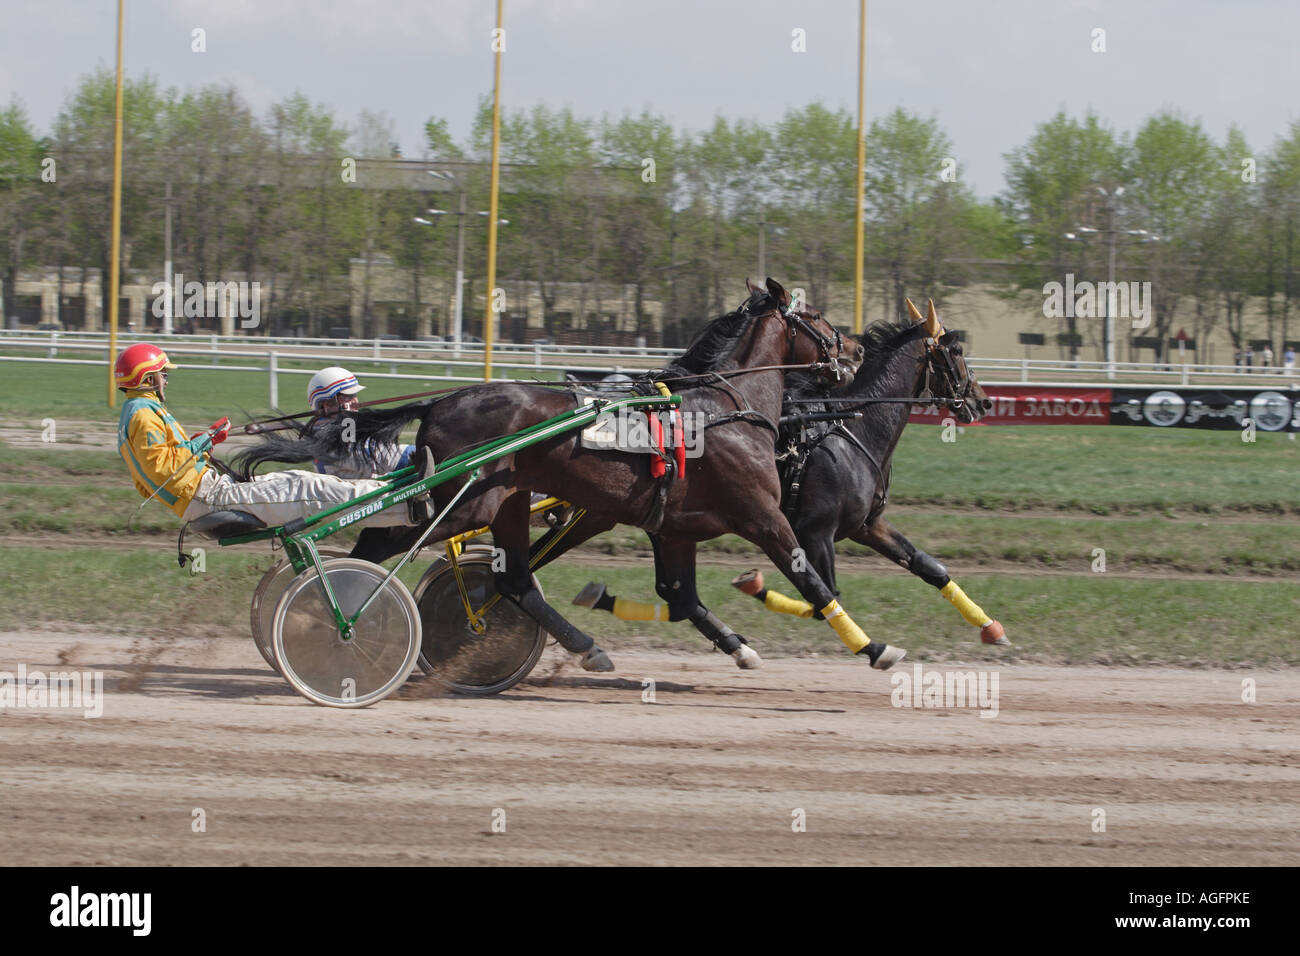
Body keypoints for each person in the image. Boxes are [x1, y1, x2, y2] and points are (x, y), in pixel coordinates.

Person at [115, 344, 432, 529]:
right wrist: (199, 445)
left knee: (296, 480)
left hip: (204, 492)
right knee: (307, 488)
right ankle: (409, 507)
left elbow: (166, 462)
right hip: (204, 496)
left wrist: (201, 442)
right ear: (145, 377)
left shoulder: (143, 411)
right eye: (162, 374)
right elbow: (162, 473)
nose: (166, 380)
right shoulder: (143, 416)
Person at [305, 366, 415, 478]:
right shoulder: (329, 436)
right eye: (349, 396)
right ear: (328, 404)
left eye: (354, 395)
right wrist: (418, 450)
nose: (355, 401)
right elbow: (383, 459)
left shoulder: (338, 427)